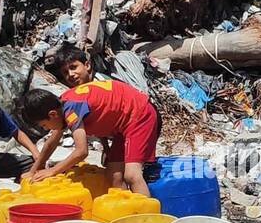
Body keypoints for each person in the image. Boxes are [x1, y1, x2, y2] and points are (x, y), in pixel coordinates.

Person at [22, 79, 160, 195]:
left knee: (131, 174)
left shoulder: (71, 111)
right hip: (122, 122)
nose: (46, 129)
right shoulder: (63, 104)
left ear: (52, 114)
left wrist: (52, 171)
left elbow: (81, 151)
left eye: (45, 125)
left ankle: (145, 218)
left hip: (139, 115)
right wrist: (33, 171)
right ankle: (123, 213)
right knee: (113, 175)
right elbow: (51, 143)